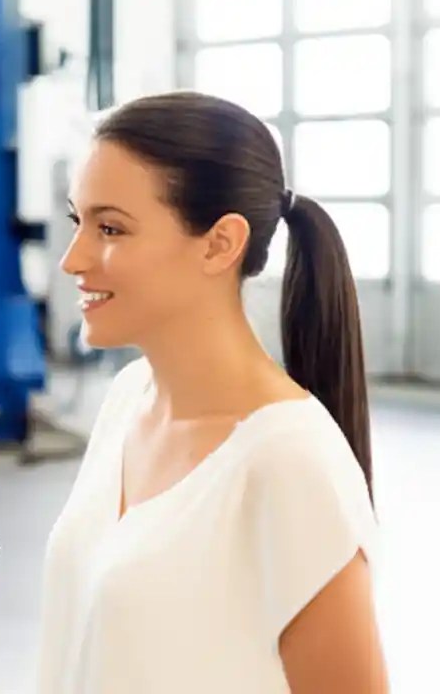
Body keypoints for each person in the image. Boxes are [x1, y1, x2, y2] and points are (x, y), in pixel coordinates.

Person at [36, 92, 388, 693]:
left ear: (220, 243)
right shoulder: (128, 400)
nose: (74, 259)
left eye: (111, 227)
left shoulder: (288, 459)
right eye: (79, 222)